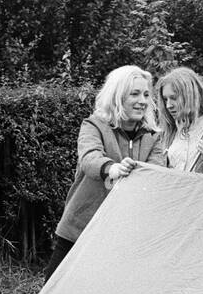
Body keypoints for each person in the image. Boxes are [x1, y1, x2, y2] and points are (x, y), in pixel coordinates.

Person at [44, 65, 167, 282]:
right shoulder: (94, 125)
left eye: (147, 94)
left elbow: (156, 173)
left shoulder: (153, 136)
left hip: (122, 234)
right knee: (51, 293)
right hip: (80, 226)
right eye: (135, 93)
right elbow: (89, 159)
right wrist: (113, 168)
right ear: (118, 96)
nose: (143, 100)